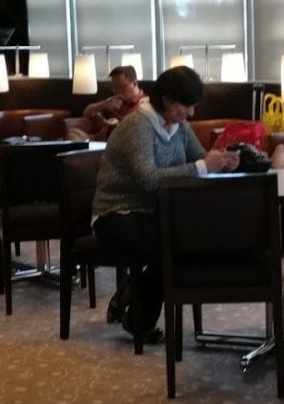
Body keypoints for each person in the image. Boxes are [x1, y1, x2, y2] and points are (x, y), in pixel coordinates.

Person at [92, 66, 237, 337]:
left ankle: (128, 297)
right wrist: (203, 166)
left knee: (192, 239)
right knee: (171, 246)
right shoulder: (138, 126)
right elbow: (148, 179)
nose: (191, 113)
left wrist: (223, 162)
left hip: (156, 212)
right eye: (187, 106)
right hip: (117, 214)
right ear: (168, 100)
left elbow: (200, 158)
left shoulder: (178, 126)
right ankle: (139, 320)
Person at [82, 65, 146, 141]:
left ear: (134, 83)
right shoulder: (113, 100)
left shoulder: (144, 103)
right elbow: (86, 112)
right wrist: (105, 104)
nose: (118, 91)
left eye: (122, 86)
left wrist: (116, 124)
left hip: (124, 141)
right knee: (74, 133)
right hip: (100, 138)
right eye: (115, 88)